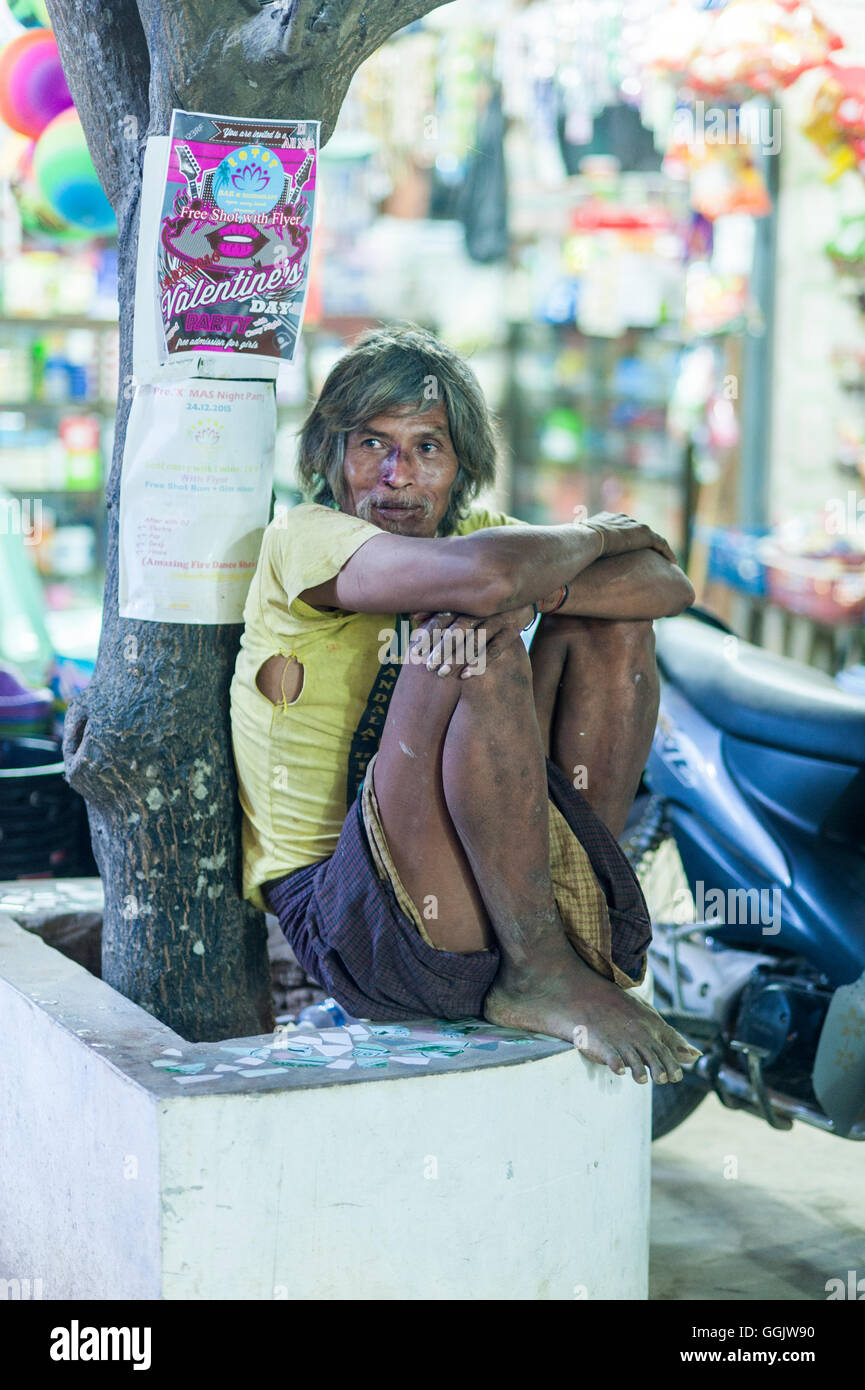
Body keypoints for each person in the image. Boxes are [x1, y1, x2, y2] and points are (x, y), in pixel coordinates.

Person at [229, 324, 701, 1086]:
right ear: (331, 458)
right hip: (358, 921)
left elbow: (665, 586)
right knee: (470, 633)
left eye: (427, 448)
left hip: (482, 882)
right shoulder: (305, 537)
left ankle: (570, 915)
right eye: (371, 445)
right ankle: (541, 965)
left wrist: (533, 583)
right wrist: (585, 539)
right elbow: (483, 583)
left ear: (460, 465)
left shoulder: (477, 536)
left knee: (606, 627)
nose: (397, 476)